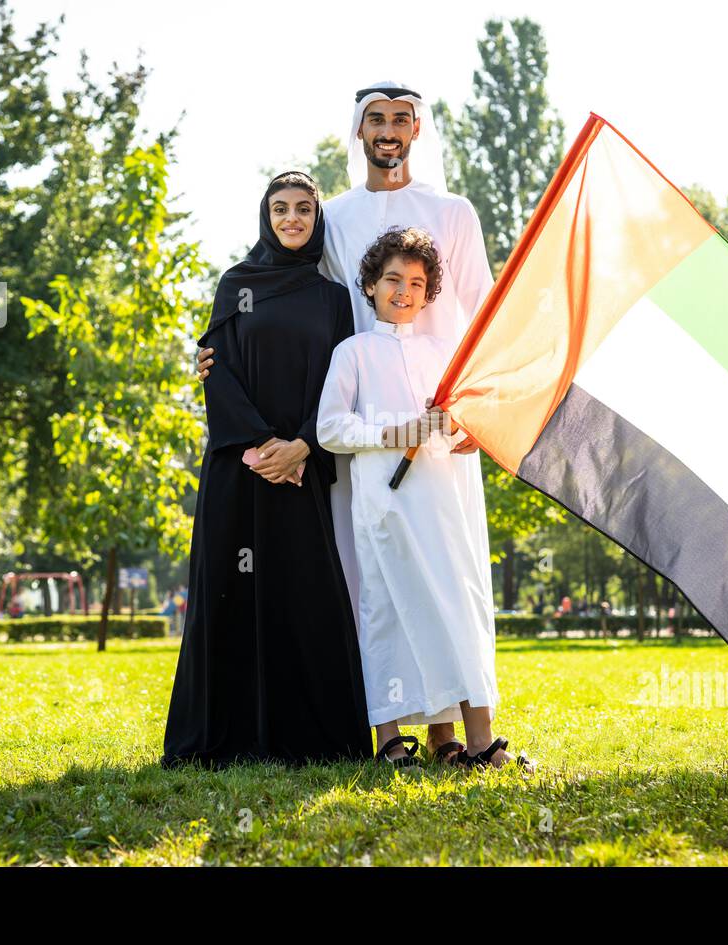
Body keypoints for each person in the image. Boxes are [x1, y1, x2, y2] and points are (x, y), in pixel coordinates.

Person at [197, 82, 505, 766]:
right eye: (376, 119)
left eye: (400, 119)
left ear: (418, 130)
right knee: (370, 587)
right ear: (358, 132)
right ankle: (385, 734)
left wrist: (484, 411)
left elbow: (485, 313)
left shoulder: (454, 212)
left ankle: (457, 736)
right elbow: (298, 298)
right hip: (350, 441)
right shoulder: (332, 218)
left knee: (452, 583)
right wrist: (224, 349)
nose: (388, 131)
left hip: (440, 432)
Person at [160, 171, 372, 768]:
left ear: (317, 219)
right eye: (280, 209)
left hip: (303, 472)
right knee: (232, 595)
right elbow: (216, 370)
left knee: (305, 595)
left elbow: (341, 386)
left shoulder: (332, 298)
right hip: (240, 471)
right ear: (265, 216)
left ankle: (313, 740)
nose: (292, 220)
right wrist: (261, 449)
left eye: (304, 210)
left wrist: (303, 446)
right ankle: (225, 739)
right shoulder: (236, 285)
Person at [317, 227, 529, 770]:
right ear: (369, 284)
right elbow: (330, 429)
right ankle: (389, 739)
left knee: (457, 607)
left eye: (416, 282)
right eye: (393, 279)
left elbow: (465, 421)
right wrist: (394, 433)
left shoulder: (444, 353)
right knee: (387, 609)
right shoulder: (353, 353)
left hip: (442, 503)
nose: (404, 291)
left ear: (429, 292)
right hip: (383, 507)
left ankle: (479, 742)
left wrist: (464, 428)